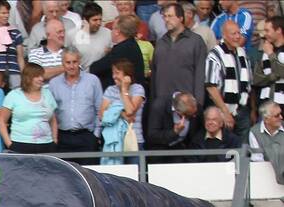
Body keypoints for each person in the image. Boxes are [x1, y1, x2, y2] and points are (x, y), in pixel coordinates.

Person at [146, 2, 205, 144]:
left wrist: (198, 104)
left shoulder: (195, 41)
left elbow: (200, 74)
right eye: (164, 16)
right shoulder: (160, 42)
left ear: (181, 18)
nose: (166, 19)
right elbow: (155, 73)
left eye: (170, 16)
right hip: (163, 108)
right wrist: (154, 101)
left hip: (187, 107)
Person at [50, 50, 103, 156]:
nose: (71, 66)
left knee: (88, 172)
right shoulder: (54, 83)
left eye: (74, 62)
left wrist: (96, 135)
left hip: (87, 136)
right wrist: (54, 137)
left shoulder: (92, 81)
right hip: (63, 137)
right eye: (68, 62)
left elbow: (100, 109)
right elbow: (51, 112)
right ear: (62, 64)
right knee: (65, 172)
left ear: (79, 62)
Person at [205, 19, 252, 137]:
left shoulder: (242, 53)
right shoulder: (214, 55)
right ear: (224, 35)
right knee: (225, 151)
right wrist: (225, 113)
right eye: (233, 34)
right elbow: (211, 87)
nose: (237, 37)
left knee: (243, 150)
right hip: (223, 111)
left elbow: (248, 85)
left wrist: (253, 110)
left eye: (238, 33)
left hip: (243, 111)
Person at [0, 61, 57, 152]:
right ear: (28, 77)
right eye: (37, 76)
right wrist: (9, 144)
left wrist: (54, 140)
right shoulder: (13, 95)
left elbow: (53, 120)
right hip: (19, 144)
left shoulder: (47, 93)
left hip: (46, 144)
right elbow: (2, 121)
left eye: (42, 75)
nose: (41, 79)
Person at [100, 59, 147, 164]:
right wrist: (121, 112)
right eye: (113, 73)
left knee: (134, 177)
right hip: (114, 141)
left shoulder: (138, 89)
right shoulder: (110, 90)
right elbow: (102, 115)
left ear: (127, 74)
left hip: (134, 141)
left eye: (117, 73)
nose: (114, 76)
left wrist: (124, 90)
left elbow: (130, 111)